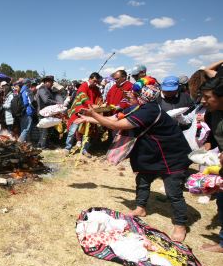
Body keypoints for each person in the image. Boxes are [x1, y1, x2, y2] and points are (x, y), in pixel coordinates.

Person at [76, 77, 191, 242]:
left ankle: (180, 225)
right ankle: (140, 208)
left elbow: (116, 126)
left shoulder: (148, 111)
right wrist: (88, 118)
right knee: (143, 181)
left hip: (170, 155)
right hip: (151, 154)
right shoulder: (138, 107)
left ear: (140, 95)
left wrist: (93, 112)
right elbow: (114, 120)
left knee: (174, 193)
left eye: (132, 92)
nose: (128, 94)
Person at [200, 76, 223, 253]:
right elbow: (213, 137)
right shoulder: (213, 112)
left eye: (208, 97)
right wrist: (207, 149)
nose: (203, 101)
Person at [65, 72, 102, 155]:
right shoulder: (83, 86)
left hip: (89, 112)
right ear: (90, 79)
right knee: (73, 129)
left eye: (97, 82)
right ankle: (67, 148)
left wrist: (100, 103)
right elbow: (83, 98)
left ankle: (85, 149)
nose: (95, 83)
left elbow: (99, 97)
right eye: (94, 81)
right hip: (78, 111)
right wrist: (92, 105)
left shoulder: (96, 88)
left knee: (88, 132)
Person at [36, 76, 59, 148]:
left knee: (46, 130)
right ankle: (43, 146)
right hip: (42, 113)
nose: (52, 84)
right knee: (44, 131)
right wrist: (56, 102)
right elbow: (46, 100)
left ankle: (41, 145)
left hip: (47, 113)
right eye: (52, 82)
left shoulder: (48, 90)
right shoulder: (42, 89)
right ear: (47, 82)